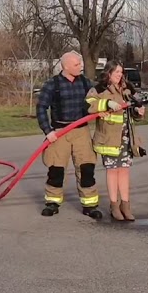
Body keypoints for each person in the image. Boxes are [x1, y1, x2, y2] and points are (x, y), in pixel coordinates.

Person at [35, 51, 101, 219]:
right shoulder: (52, 84)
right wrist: (48, 131)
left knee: (86, 168)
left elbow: (100, 99)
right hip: (59, 132)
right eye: (77, 64)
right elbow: (41, 108)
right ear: (66, 66)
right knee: (56, 169)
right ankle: (52, 202)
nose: (81, 66)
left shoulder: (86, 83)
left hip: (81, 131)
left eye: (80, 63)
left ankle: (90, 205)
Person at [86, 60, 146, 222]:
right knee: (112, 171)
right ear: (109, 73)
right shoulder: (99, 89)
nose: (120, 75)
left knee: (124, 171)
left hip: (126, 138)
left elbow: (134, 109)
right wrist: (106, 103)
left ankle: (125, 206)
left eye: (121, 72)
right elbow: (89, 105)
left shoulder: (128, 89)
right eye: (116, 72)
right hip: (109, 138)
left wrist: (139, 112)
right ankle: (114, 206)